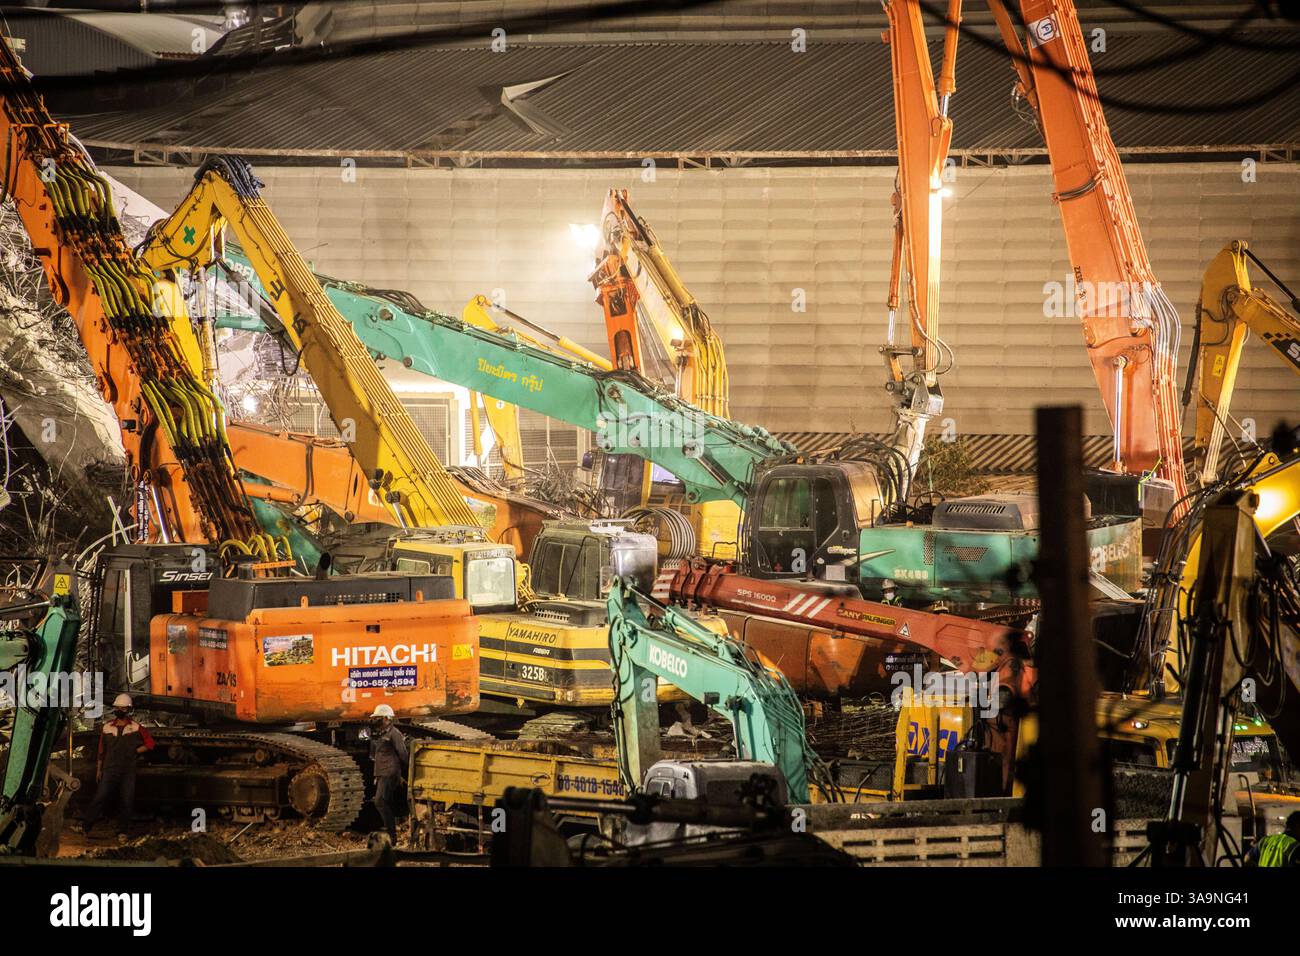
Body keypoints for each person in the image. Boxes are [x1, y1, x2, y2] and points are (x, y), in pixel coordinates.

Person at [82, 693, 154, 841]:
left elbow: (150, 744)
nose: (119, 710)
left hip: (128, 771)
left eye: (122, 708)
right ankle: (85, 827)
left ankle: (123, 832)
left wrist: (136, 751)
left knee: (126, 800)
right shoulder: (107, 727)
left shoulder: (136, 727)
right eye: (117, 707)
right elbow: (101, 750)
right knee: (99, 797)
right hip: (109, 769)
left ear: (128, 710)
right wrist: (99, 769)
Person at [368, 704, 408, 845]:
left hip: (390, 772)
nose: (375, 720)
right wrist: (376, 775)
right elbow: (375, 755)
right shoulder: (378, 734)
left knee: (380, 801)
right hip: (381, 772)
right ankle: (390, 832)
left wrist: (401, 773)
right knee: (383, 801)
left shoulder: (394, 733)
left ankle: (392, 836)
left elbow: (403, 754)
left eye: (378, 718)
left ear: (387, 718)